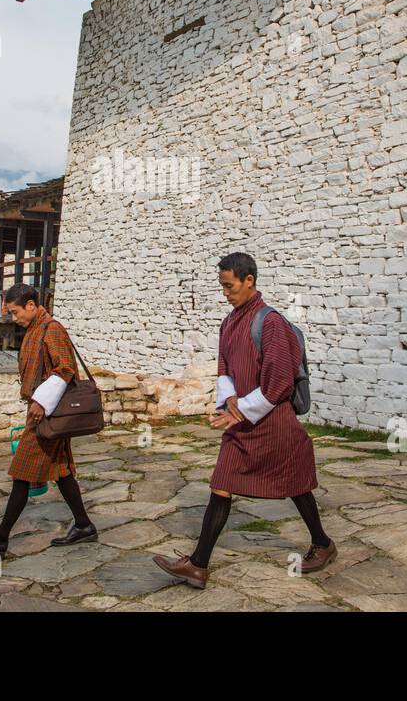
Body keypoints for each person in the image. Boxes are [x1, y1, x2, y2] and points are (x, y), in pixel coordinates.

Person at [153, 252, 333, 589]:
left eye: (229, 286)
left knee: (295, 485)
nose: (225, 292)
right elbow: (224, 364)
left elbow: (279, 383)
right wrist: (229, 399)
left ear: (249, 280)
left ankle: (322, 543)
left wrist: (239, 410)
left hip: (274, 424)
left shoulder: (271, 323)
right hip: (242, 425)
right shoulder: (230, 321)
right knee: (221, 483)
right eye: (222, 286)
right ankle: (198, 564)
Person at [0, 283, 96, 554]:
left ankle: (0, 537)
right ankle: (84, 525)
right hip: (43, 412)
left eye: (15, 312)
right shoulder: (35, 329)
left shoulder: (52, 329)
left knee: (22, 473)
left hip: (46, 413)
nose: (14, 319)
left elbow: (65, 368)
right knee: (62, 472)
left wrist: (40, 401)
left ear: (31, 306)